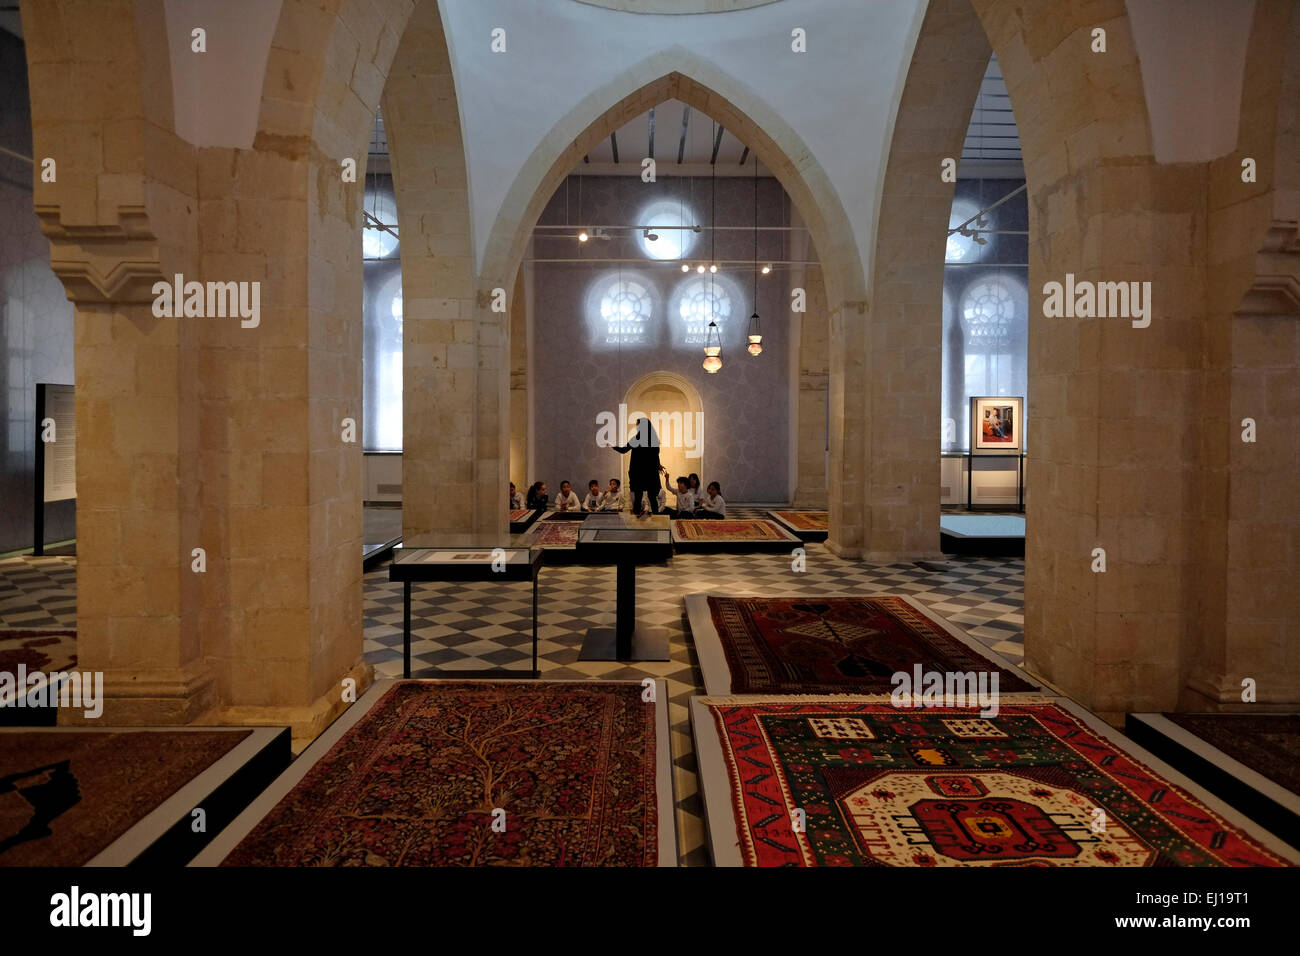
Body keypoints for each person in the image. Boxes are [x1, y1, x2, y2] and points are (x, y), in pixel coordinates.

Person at [612, 417, 663, 516]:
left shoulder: (636, 439)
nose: (636, 427)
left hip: (638, 473)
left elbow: (623, 450)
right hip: (650, 473)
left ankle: (636, 521)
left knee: (638, 497)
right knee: (652, 498)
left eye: (637, 425)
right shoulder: (653, 439)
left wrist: (612, 445)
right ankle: (657, 521)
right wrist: (658, 465)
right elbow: (656, 456)